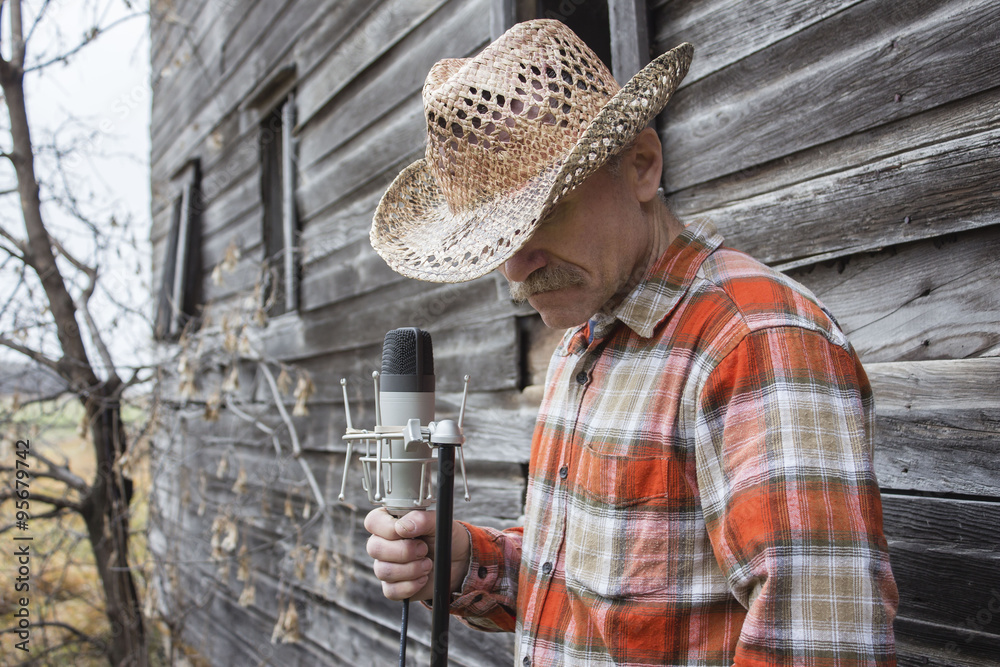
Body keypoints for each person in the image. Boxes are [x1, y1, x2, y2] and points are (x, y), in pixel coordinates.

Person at [364, 19, 898, 666]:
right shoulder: (585, 337)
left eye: (540, 215)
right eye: (497, 240)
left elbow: (821, 648)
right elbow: (584, 587)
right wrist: (467, 562)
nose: (514, 267)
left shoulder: (754, 345)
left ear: (641, 165)